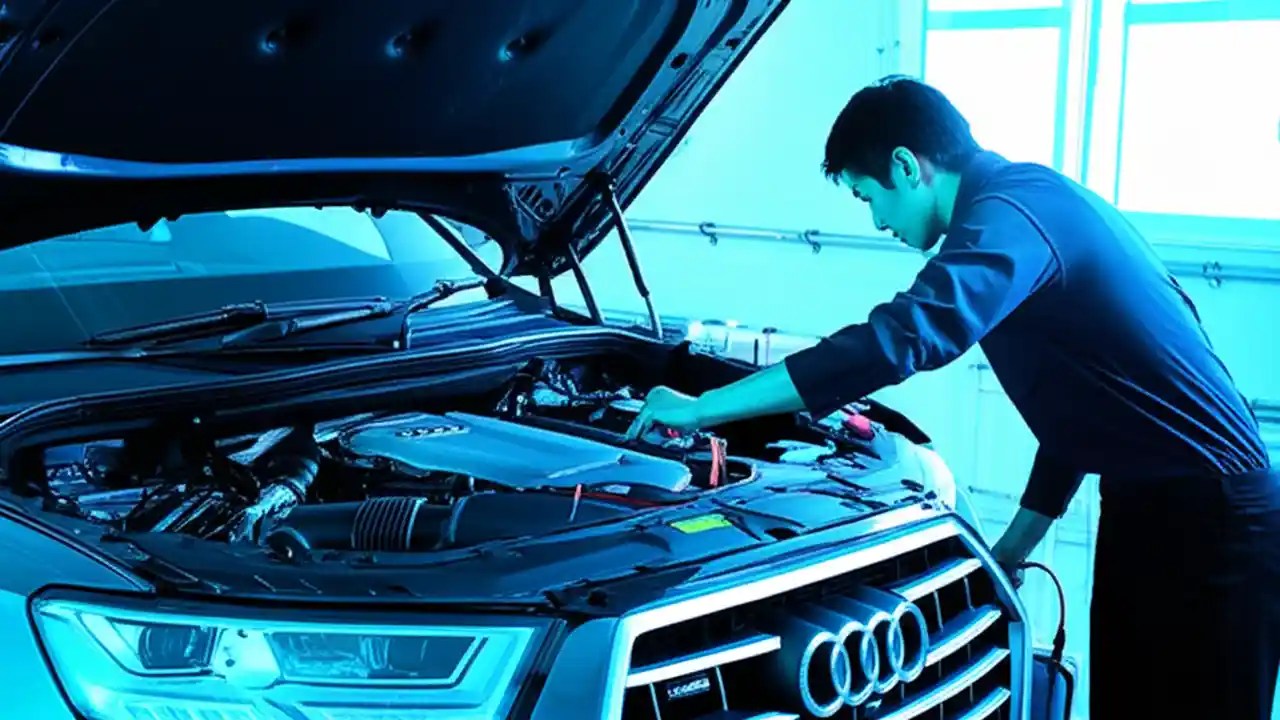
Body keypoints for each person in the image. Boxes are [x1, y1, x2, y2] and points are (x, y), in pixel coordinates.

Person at [624, 75, 1280, 719]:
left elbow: (902, 339)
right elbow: (1082, 411)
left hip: (1213, 516)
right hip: (1157, 502)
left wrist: (701, 407)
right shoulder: (1029, 204)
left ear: (907, 167)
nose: (877, 221)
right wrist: (1011, 551)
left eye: (866, 197)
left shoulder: (1013, 213)